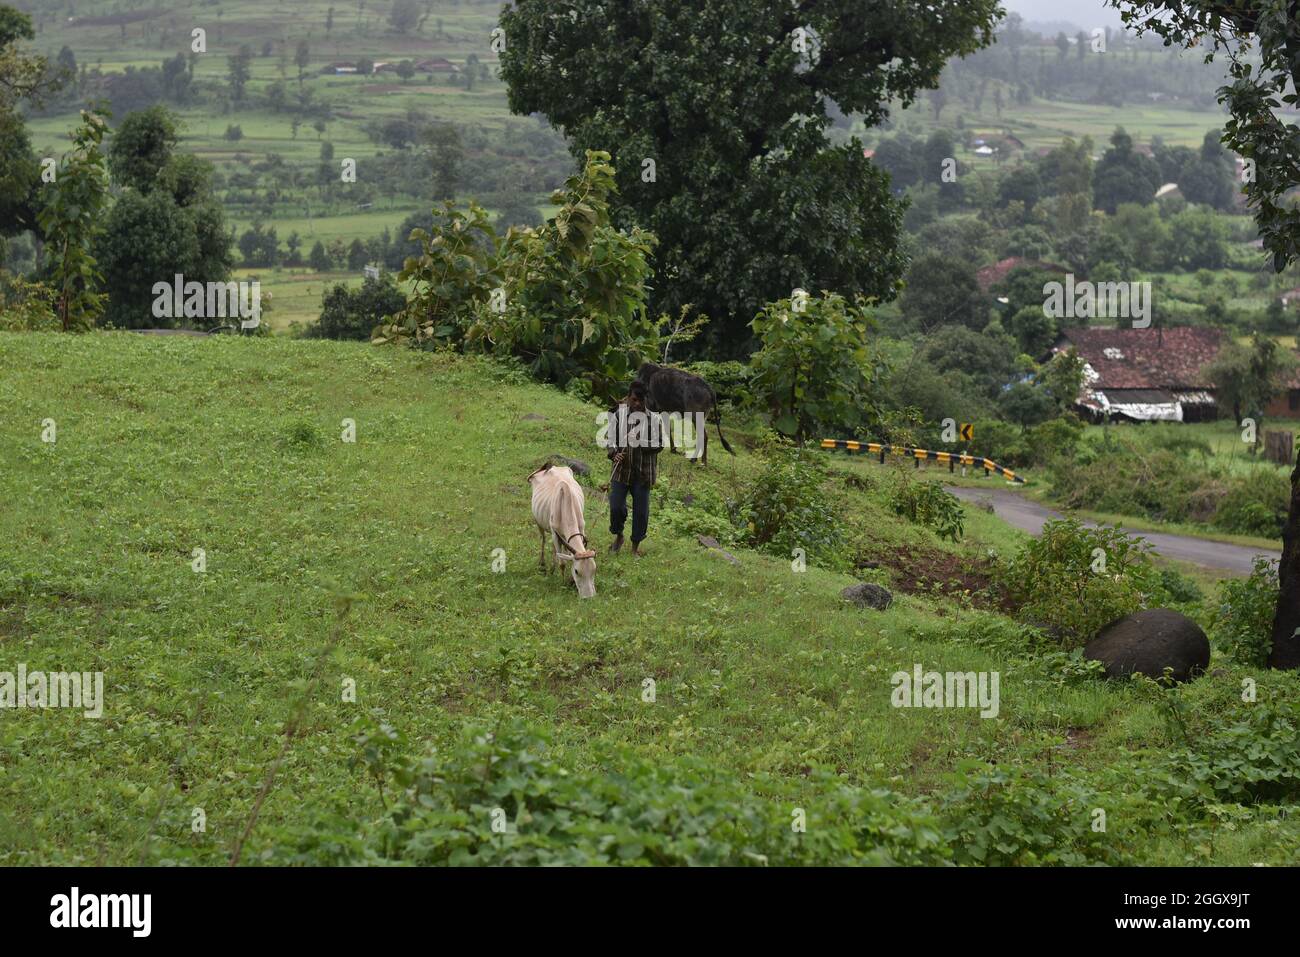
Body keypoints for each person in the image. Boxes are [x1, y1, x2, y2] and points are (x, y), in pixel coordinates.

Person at [607, 382, 661, 557]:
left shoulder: (654, 419)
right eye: (634, 399)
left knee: (641, 512)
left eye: (641, 400)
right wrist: (614, 453)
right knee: (616, 508)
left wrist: (641, 441)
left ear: (647, 400)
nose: (637, 404)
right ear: (629, 398)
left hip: (643, 474)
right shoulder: (619, 415)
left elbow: (660, 444)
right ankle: (619, 535)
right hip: (621, 471)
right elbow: (610, 439)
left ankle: (635, 548)